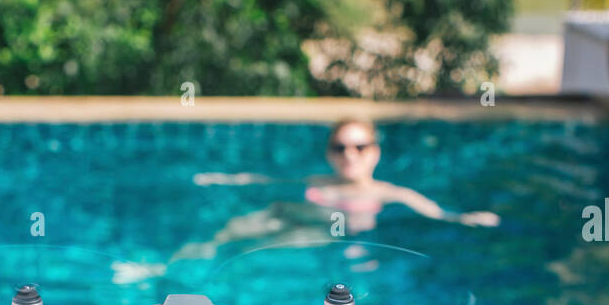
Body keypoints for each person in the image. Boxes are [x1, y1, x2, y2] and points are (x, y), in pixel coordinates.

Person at [178, 117, 500, 260]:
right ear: (329, 153)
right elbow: (271, 183)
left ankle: (218, 264)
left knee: (252, 251)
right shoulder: (317, 182)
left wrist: (466, 218)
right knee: (227, 232)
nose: (349, 154)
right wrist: (226, 179)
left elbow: (437, 213)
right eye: (340, 146)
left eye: (359, 147)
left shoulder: (391, 193)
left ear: (375, 152)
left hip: (327, 233)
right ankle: (184, 259)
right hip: (290, 214)